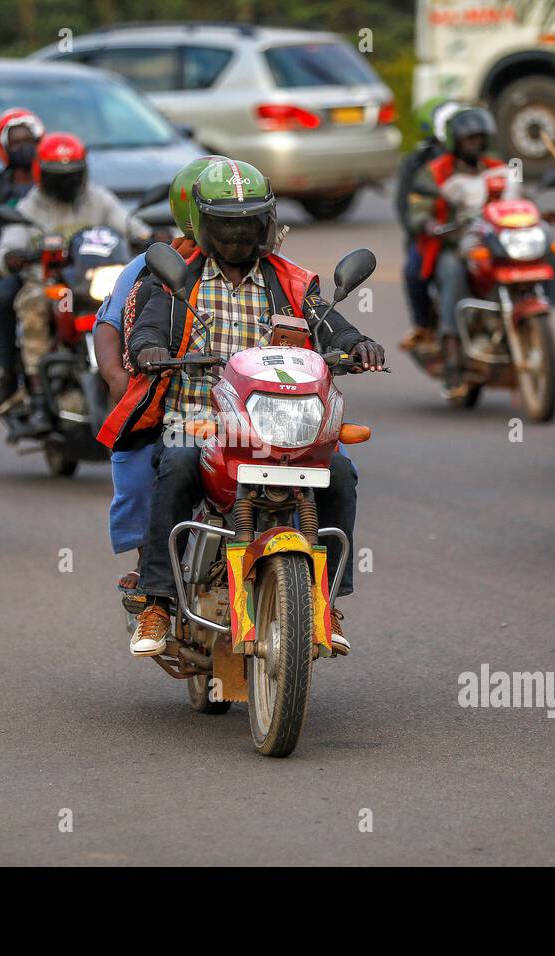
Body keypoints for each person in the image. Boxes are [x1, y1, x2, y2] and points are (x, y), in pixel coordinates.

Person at [114, 159, 384, 659]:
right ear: (202, 224)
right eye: (226, 223)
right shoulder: (175, 281)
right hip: (201, 424)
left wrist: (358, 343)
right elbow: (148, 326)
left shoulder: (293, 282)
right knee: (174, 464)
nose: (238, 235)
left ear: (266, 221)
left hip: (284, 428)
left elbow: (332, 325)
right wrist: (149, 348)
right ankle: (158, 601)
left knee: (341, 472)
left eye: (248, 222)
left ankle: (325, 600)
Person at [92, 156, 222, 607]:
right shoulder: (154, 267)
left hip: (259, 412)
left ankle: (317, 588)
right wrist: (123, 386)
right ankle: (155, 574)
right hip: (179, 407)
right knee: (147, 459)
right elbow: (110, 326)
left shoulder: (278, 271)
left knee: (333, 459)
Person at [0, 132, 151, 435]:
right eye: (58, 175)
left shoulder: (99, 198)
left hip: (98, 283)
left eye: (72, 174)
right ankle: (39, 396)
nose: (67, 182)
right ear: (42, 173)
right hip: (53, 286)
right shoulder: (30, 206)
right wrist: (13, 256)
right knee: (32, 306)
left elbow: (131, 226)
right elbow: (5, 250)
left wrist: (147, 238)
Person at [404, 107, 516, 392]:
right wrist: (428, 223)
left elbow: (517, 196)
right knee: (452, 272)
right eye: (469, 139)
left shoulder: (497, 167)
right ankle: (452, 348)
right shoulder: (434, 172)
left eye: (480, 138)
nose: (476, 144)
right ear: (455, 141)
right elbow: (417, 208)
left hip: (496, 243)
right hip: (452, 244)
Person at [0, 108, 43, 416]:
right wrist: (6, 264)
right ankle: (7, 374)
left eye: (29, 140)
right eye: (15, 143)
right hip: (16, 268)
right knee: (2, 296)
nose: (23, 147)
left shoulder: (54, 179)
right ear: (3, 147)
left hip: (57, 266)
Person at [397, 97, 461, 350]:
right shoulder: (418, 163)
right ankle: (423, 325)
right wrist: (423, 225)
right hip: (435, 234)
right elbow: (406, 208)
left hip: (476, 231)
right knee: (414, 272)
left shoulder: (482, 158)